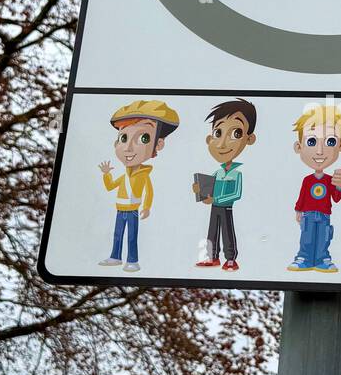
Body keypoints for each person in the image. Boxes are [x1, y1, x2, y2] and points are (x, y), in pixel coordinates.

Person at [98, 98, 179, 273]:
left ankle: (132, 260)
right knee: (118, 234)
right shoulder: (124, 175)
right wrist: (106, 174)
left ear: (158, 144)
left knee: (132, 236)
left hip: (133, 210)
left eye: (143, 138)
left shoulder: (143, 175)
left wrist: (147, 207)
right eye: (124, 138)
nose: (128, 148)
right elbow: (111, 186)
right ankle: (115, 256)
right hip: (120, 209)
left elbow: (149, 192)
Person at [194, 98, 257, 272]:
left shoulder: (236, 173)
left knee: (228, 233)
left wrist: (219, 198)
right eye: (218, 133)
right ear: (209, 139)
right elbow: (209, 191)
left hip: (226, 208)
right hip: (214, 206)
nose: (222, 143)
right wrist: (201, 191)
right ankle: (211, 256)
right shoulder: (217, 172)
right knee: (211, 232)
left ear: (249, 138)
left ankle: (230, 259)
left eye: (236, 133)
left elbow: (236, 194)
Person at [287, 104, 341, 273]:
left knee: (323, 238)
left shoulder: (330, 179)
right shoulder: (307, 180)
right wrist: (298, 211)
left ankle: (323, 259)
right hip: (307, 214)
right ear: (299, 147)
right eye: (312, 141)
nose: (320, 151)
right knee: (306, 237)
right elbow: (302, 197)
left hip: (324, 214)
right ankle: (304, 258)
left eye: (330, 141)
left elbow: (335, 198)